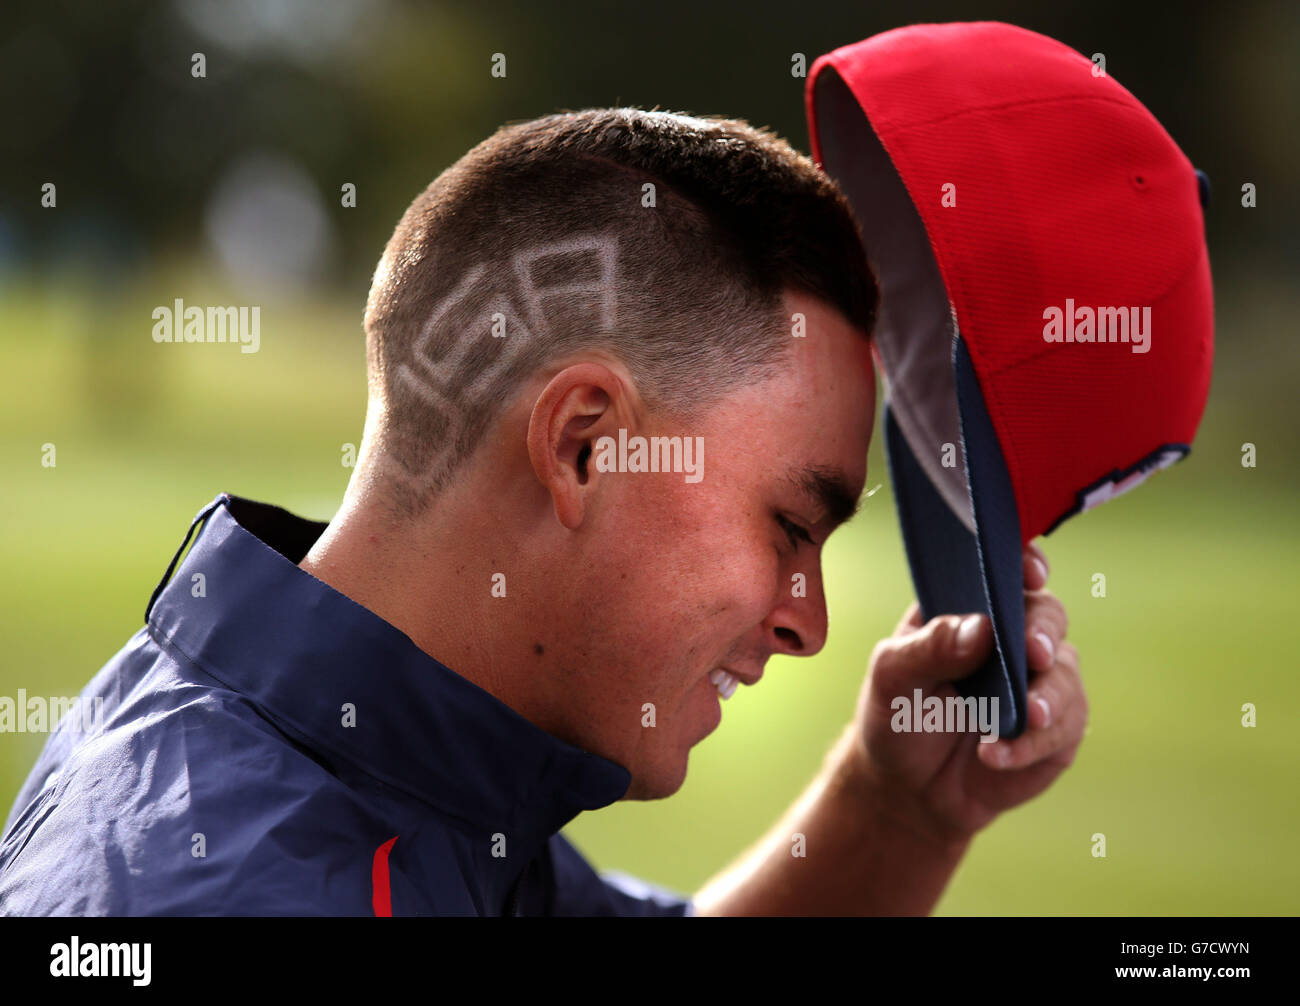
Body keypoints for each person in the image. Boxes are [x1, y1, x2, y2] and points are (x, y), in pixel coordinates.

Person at [0, 108, 1084, 916]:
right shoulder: (242, 888)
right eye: (791, 529)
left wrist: (899, 811)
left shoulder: (390, 760)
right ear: (583, 443)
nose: (809, 624)